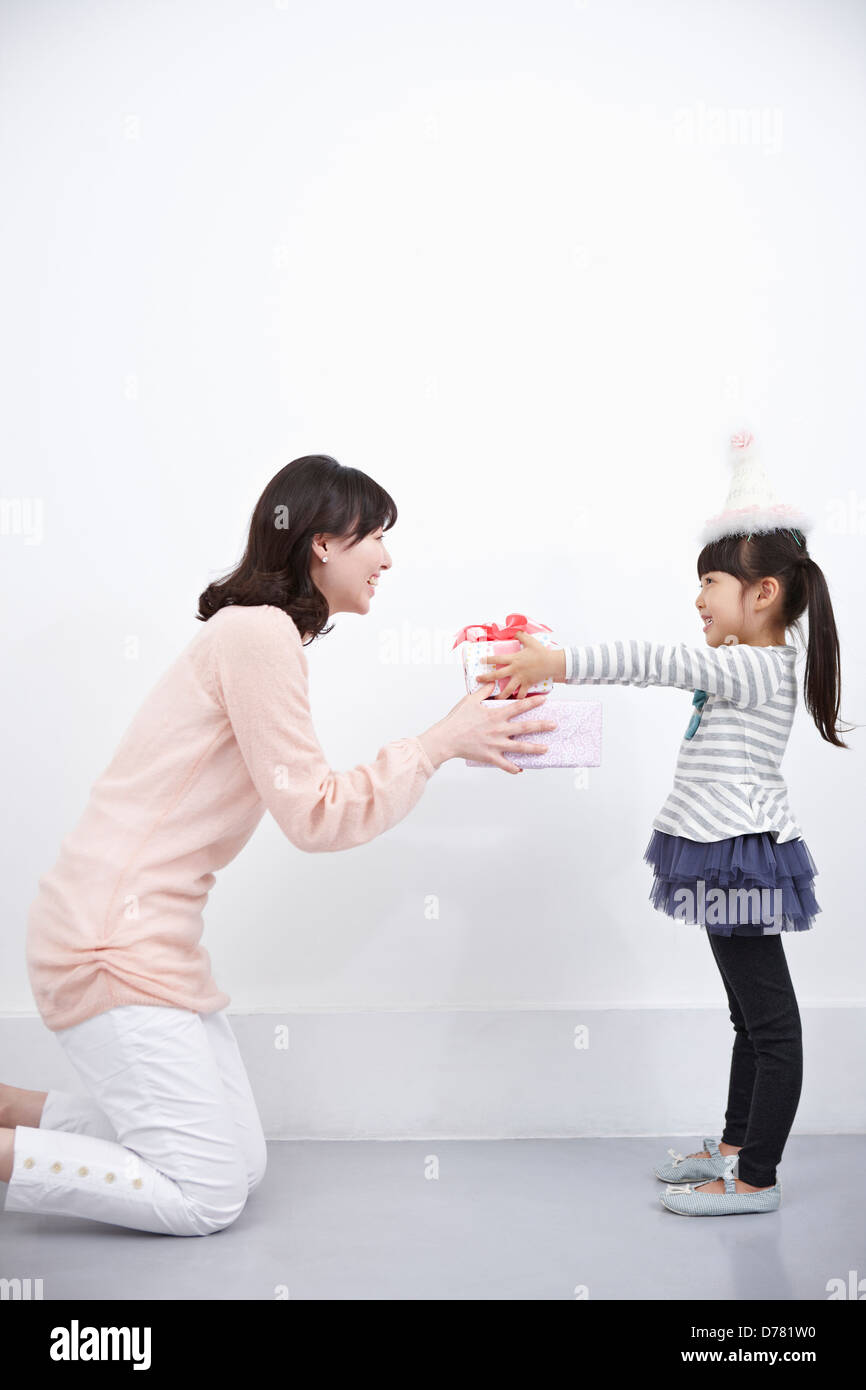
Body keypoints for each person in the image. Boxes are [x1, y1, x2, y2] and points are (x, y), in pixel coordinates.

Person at [0, 454, 557, 1237]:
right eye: (378, 539)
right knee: (207, 1196)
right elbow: (317, 816)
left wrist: (446, 743)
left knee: (243, 1162)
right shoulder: (258, 635)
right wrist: (437, 745)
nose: (389, 559)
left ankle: (14, 1112)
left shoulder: (259, 635)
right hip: (106, 943)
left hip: (144, 937)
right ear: (323, 542)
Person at [478, 430, 853, 1216]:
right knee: (747, 1016)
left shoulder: (755, 664)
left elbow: (656, 661)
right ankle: (733, 1146)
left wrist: (558, 664)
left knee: (770, 1023)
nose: (698, 598)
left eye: (710, 581)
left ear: (763, 594)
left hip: (742, 856)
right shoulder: (750, 660)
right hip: (725, 855)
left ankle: (757, 1178)